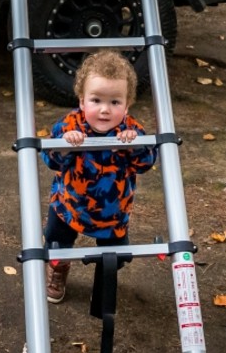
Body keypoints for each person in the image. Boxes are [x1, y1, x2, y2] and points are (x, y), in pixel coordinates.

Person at [41, 50, 156, 304]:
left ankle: (105, 276)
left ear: (127, 105)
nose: (105, 110)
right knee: (56, 243)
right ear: (82, 101)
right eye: (96, 100)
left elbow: (146, 163)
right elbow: (51, 160)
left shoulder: (132, 131)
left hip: (112, 211)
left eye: (115, 102)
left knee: (117, 255)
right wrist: (64, 146)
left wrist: (134, 146)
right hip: (69, 205)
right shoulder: (69, 126)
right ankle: (59, 268)